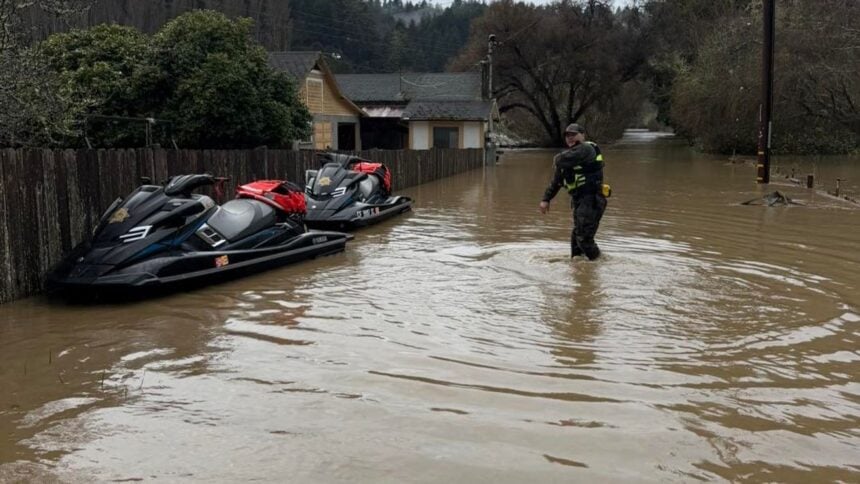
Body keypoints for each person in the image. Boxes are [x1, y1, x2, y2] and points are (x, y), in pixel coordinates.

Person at [539, 123, 607, 260]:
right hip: (579, 201)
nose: (570, 138)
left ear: (582, 135)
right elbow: (556, 181)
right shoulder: (568, 159)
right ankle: (579, 269)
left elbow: (560, 159)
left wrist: (557, 159)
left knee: (583, 238)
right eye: (567, 136)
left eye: (573, 135)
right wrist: (546, 199)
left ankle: (600, 264)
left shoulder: (586, 149)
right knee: (576, 239)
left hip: (592, 199)